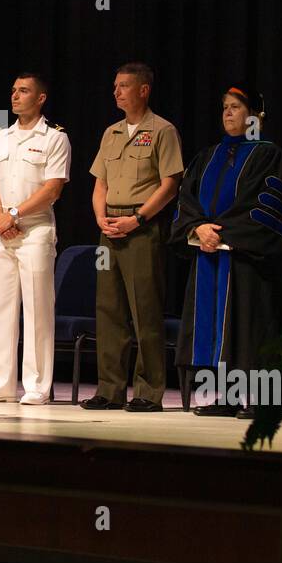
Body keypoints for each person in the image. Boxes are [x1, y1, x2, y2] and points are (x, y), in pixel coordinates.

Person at [171, 84, 282, 417]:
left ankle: (265, 401)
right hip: (209, 255)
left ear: (255, 115)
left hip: (247, 259)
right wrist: (197, 228)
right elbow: (187, 199)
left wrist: (221, 233)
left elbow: (265, 206)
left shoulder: (269, 154)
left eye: (236, 107)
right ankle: (223, 398)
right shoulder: (207, 156)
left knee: (251, 326)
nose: (227, 112)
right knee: (214, 329)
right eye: (224, 106)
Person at [83, 63, 184, 412]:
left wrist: (137, 218)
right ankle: (109, 389)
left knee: (145, 309)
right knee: (107, 308)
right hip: (108, 229)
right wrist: (100, 216)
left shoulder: (162, 130)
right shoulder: (110, 132)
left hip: (142, 227)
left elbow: (170, 184)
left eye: (124, 86)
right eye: (115, 86)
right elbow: (100, 183)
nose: (116, 92)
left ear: (143, 90)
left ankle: (148, 390)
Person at [0, 74, 71, 405]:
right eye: (13, 90)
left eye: (24, 91)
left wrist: (13, 215)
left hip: (35, 230)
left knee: (37, 308)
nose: (15, 95)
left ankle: (36, 386)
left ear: (41, 98)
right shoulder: (2, 137)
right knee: (1, 308)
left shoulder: (55, 138)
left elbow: (53, 188)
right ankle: (0, 383)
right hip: (1, 230)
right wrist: (0, 218)